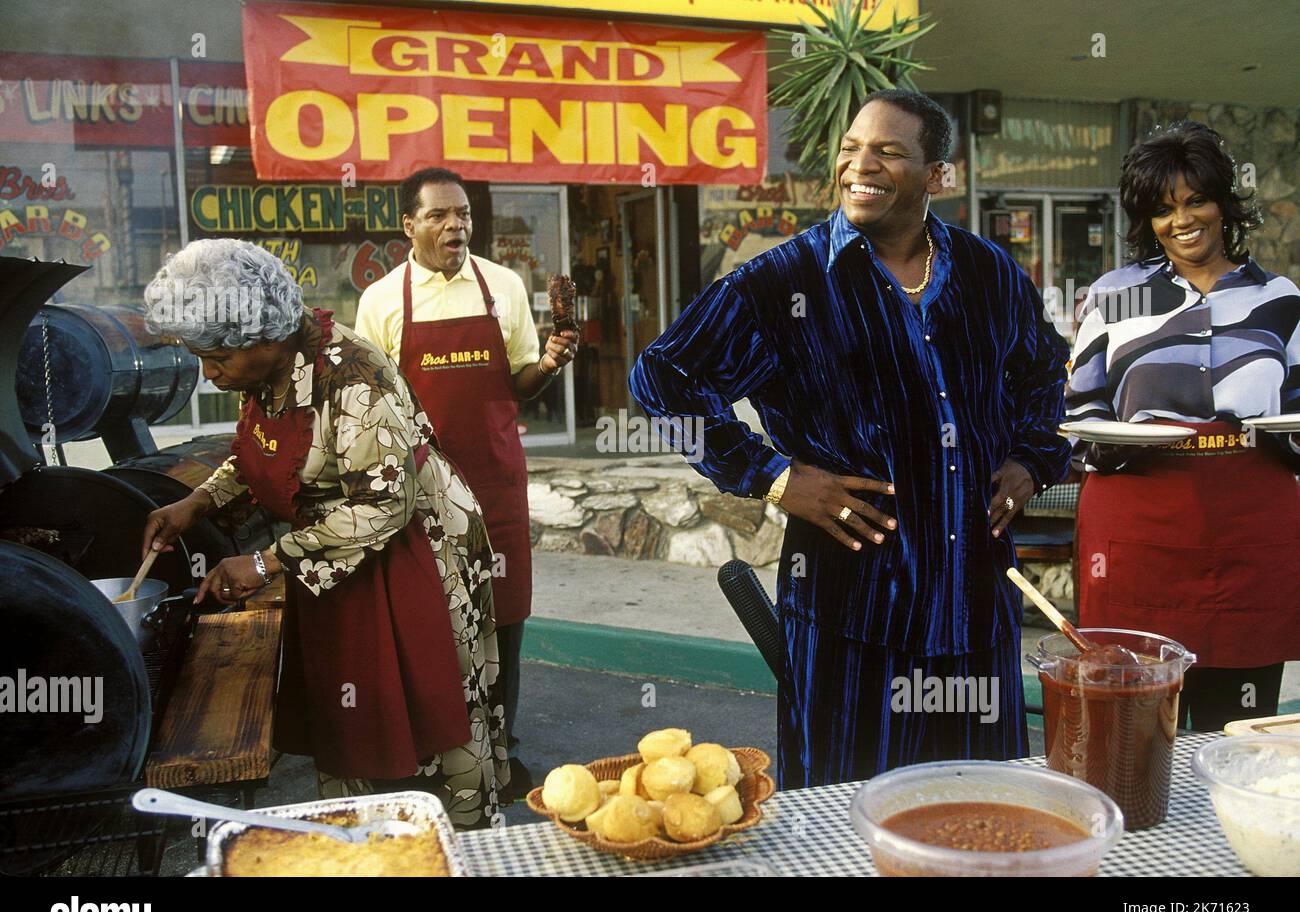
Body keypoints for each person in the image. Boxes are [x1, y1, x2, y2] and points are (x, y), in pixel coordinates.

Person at [630, 90, 1071, 788]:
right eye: (851, 148)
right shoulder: (785, 282)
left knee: (985, 811)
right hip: (853, 620)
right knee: (845, 822)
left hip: (976, 616)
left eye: (889, 151)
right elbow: (662, 377)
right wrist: (773, 475)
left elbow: (1045, 369)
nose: (860, 165)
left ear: (938, 176)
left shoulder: (991, 276)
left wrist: (1031, 458)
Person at [140, 238, 509, 829]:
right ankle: (358, 847)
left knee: (435, 716)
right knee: (351, 715)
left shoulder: (352, 376)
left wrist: (263, 564)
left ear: (263, 336)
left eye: (216, 359)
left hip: (413, 550)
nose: (210, 375)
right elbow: (267, 453)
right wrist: (198, 500)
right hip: (335, 556)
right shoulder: (264, 376)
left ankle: (458, 846)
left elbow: (384, 504)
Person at [1066, 121, 1300, 731]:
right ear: (1147, 221)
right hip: (1140, 524)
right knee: (1133, 725)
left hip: (1254, 525)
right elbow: (1081, 407)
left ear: (1223, 202)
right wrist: (1113, 445)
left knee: (1241, 728)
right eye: (1163, 209)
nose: (1182, 220)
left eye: (1196, 200)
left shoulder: (1280, 297)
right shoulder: (1115, 295)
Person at [355, 167, 578, 799]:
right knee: (430, 618)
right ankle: (435, 752)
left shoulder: (504, 286)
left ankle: (501, 753)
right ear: (410, 226)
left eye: (464, 216)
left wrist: (551, 364)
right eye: (440, 216)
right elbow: (374, 404)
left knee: (503, 618)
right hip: (420, 490)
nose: (456, 226)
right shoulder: (380, 301)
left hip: (495, 483)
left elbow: (520, 381)